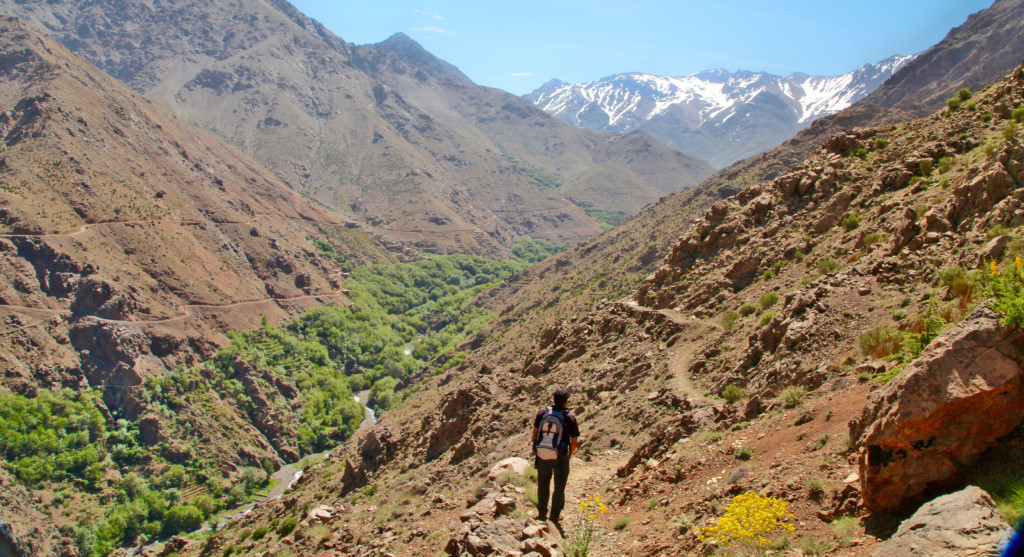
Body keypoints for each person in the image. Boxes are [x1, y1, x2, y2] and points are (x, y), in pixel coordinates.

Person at [531, 388, 580, 523]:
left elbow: (535, 434)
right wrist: (568, 455)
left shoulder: (543, 412)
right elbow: (574, 442)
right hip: (561, 454)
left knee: (543, 482)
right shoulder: (569, 417)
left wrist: (539, 448)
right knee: (559, 485)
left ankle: (542, 512)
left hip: (542, 453)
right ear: (566, 402)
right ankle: (555, 515)